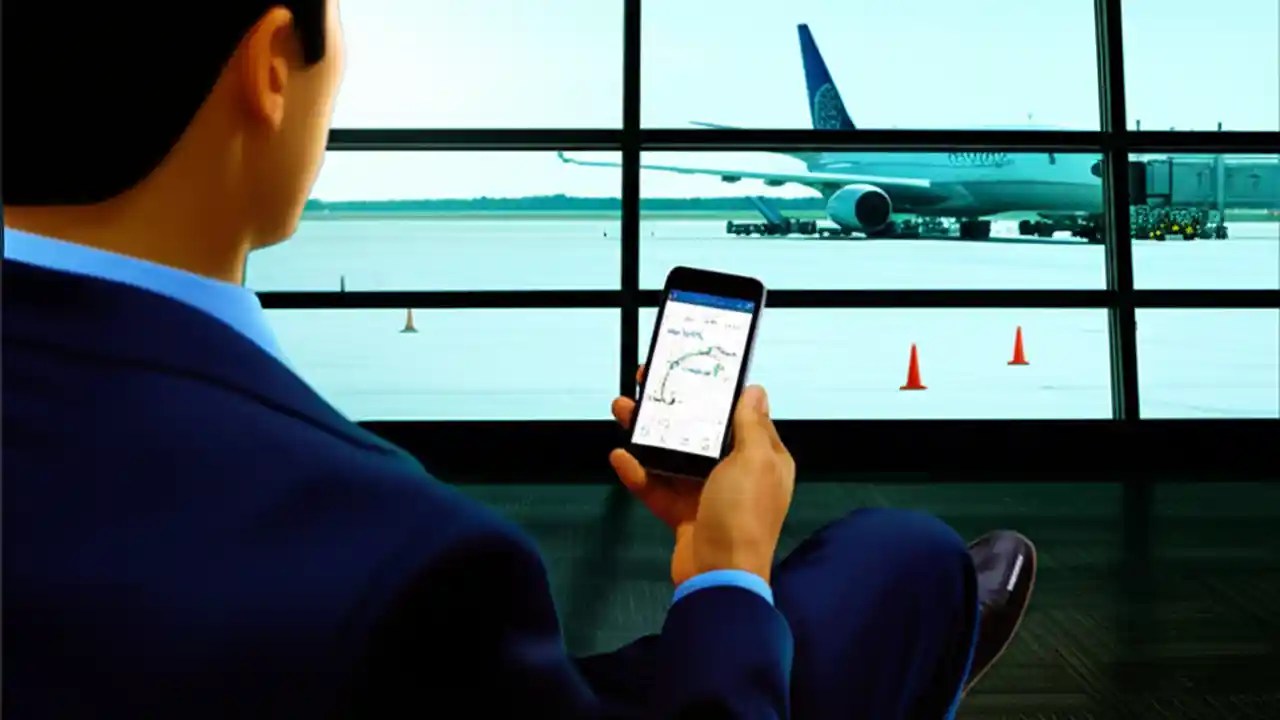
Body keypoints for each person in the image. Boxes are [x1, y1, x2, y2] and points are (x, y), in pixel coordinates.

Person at [1, 2, 1036, 717]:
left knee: (878, 568)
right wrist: (724, 565)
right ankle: (910, 623)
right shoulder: (408, 560)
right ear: (273, 69)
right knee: (896, 561)